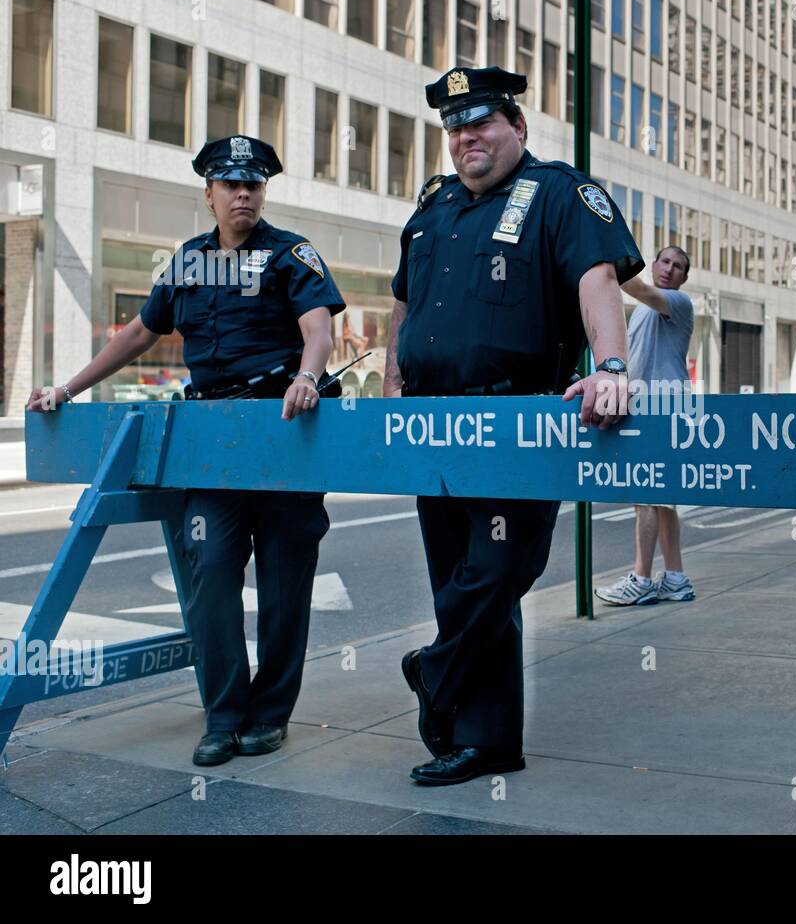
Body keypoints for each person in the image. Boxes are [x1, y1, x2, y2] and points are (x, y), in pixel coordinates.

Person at [27, 135, 344, 767]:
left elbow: (318, 327)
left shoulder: (291, 254)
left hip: (282, 432)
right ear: (209, 193)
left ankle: (269, 715)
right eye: (230, 184)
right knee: (212, 575)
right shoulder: (188, 263)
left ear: (263, 191)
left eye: (253, 183)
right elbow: (141, 331)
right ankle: (223, 715)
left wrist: (308, 376)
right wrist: (68, 387)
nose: (243, 193)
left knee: (285, 583)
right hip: (211, 444)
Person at [384, 66, 642, 787]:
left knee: (501, 569)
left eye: (482, 123)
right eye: (456, 127)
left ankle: (434, 672)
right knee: (456, 579)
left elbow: (597, 279)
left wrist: (613, 367)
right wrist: (393, 380)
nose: (467, 136)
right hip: (431, 422)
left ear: (517, 128)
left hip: (518, 418)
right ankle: (484, 738)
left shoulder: (559, 191)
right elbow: (405, 299)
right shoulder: (434, 206)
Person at [596, 246, 696, 607]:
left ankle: (640, 578)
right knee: (663, 498)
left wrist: (602, 258)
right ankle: (675, 578)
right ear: (654, 264)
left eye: (678, 266)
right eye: (665, 262)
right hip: (651, 406)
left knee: (646, 495)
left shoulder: (676, 303)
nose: (670, 269)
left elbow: (639, 289)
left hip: (664, 407)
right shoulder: (641, 314)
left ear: (684, 278)